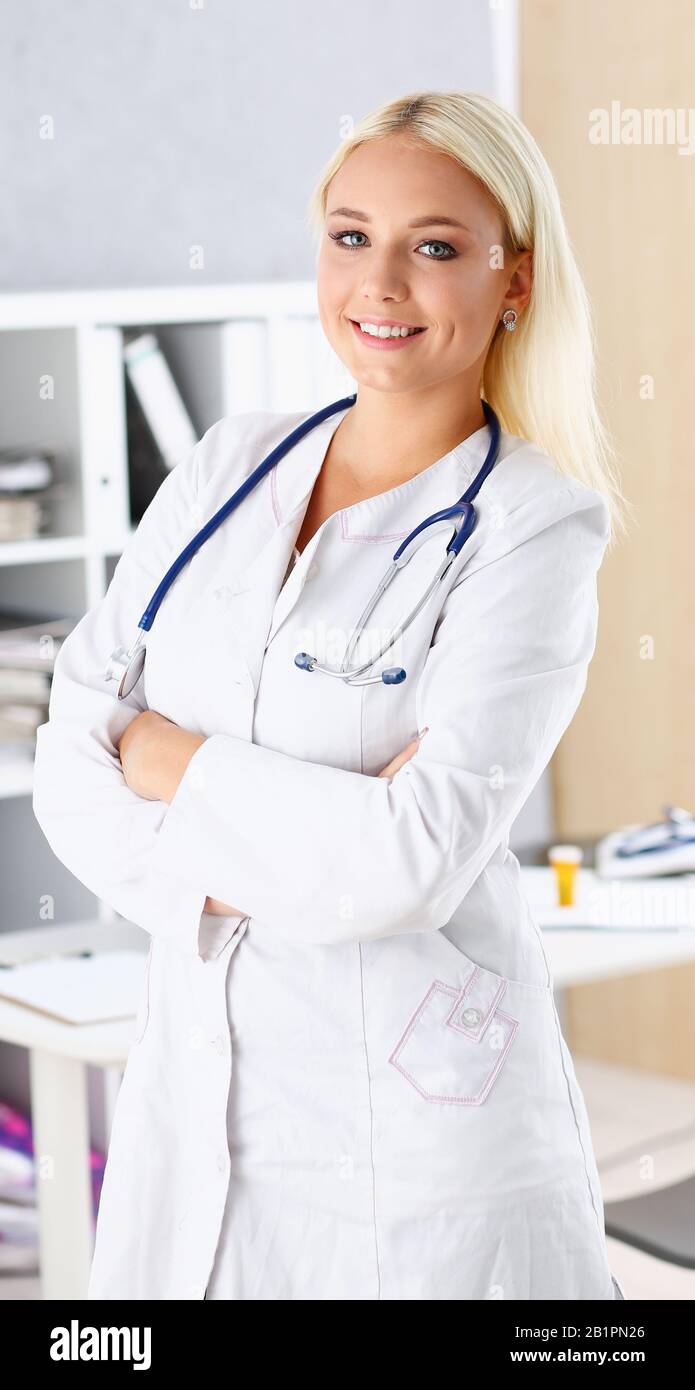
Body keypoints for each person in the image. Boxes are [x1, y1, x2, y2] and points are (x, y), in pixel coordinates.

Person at [32, 89, 631, 1301]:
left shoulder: (532, 527)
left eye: (436, 247)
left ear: (511, 280)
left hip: (412, 1161)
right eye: (351, 236)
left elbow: (408, 867)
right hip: (192, 1119)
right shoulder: (223, 466)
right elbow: (65, 762)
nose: (382, 285)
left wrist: (170, 759)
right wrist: (319, 822)